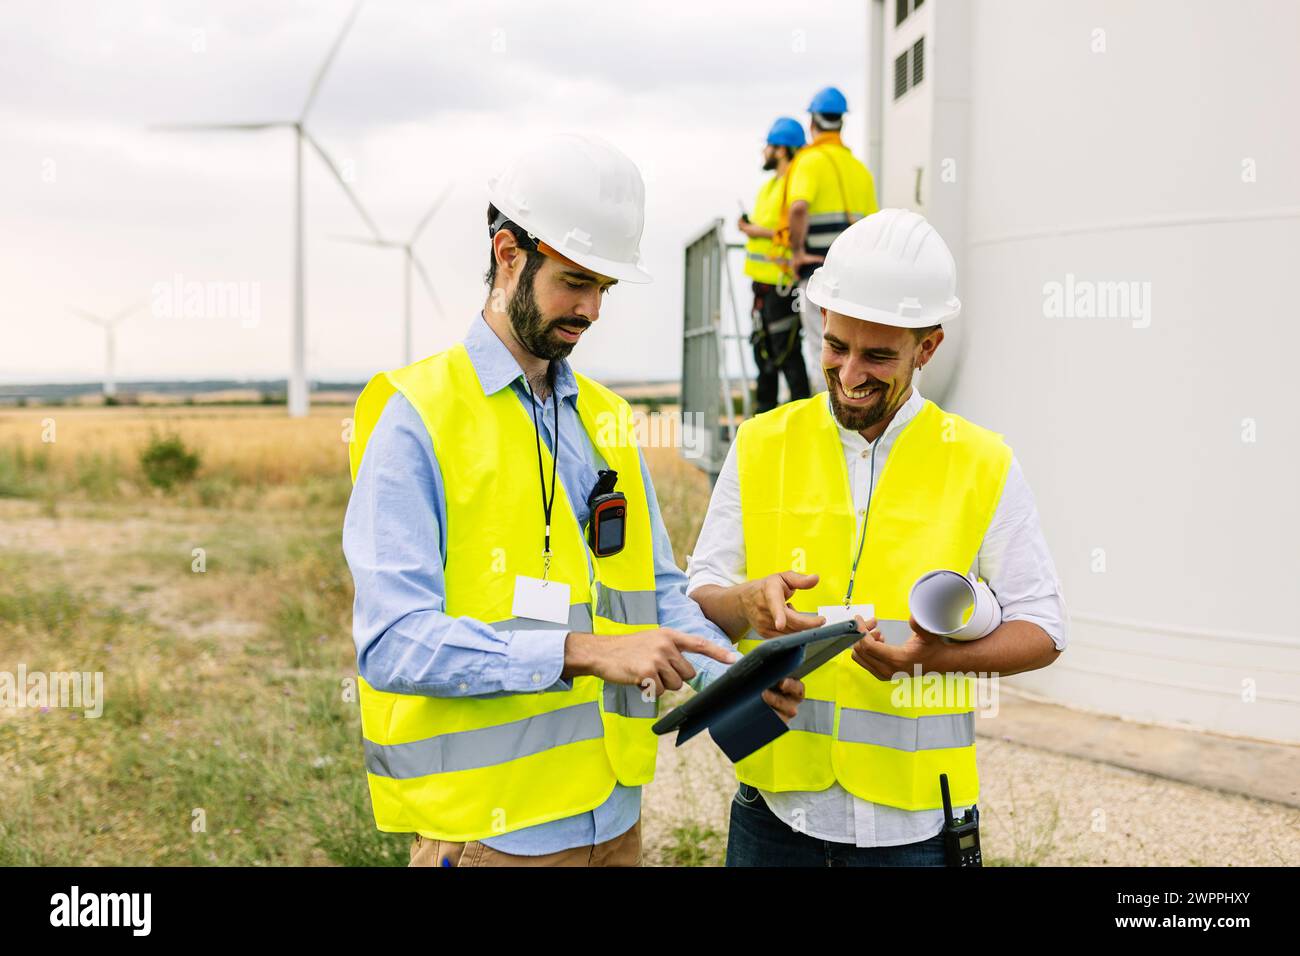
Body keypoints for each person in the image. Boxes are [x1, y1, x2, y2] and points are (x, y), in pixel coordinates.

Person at [342, 132, 804, 868]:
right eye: (574, 281)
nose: (590, 309)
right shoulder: (413, 416)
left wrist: (734, 677)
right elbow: (392, 641)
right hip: (491, 836)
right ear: (507, 256)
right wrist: (582, 653)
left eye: (604, 290)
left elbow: (655, 593)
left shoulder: (607, 418)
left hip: (612, 820)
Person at [687, 209, 1067, 867]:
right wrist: (746, 604)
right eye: (837, 346)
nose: (851, 373)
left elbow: (1044, 628)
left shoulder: (982, 462)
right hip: (773, 816)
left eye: (879, 356)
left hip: (913, 830)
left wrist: (930, 660)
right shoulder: (760, 443)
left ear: (928, 348)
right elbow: (701, 593)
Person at [778, 86, 879, 392]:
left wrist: (796, 252)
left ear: (813, 122)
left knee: (820, 348)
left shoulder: (809, 162)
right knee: (854, 349)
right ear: (841, 122)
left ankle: (826, 419)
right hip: (856, 277)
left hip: (817, 273)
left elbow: (797, 208)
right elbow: (872, 226)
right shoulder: (860, 169)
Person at [739, 117, 812, 412]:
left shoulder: (794, 184)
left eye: (768, 145)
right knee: (765, 357)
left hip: (783, 285)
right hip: (764, 286)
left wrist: (756, 231)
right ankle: (763, 423)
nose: (764, 152)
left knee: (787, 356)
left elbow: (794, 229)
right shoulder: (771, 185)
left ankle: (804, 422)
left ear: (781, 149)